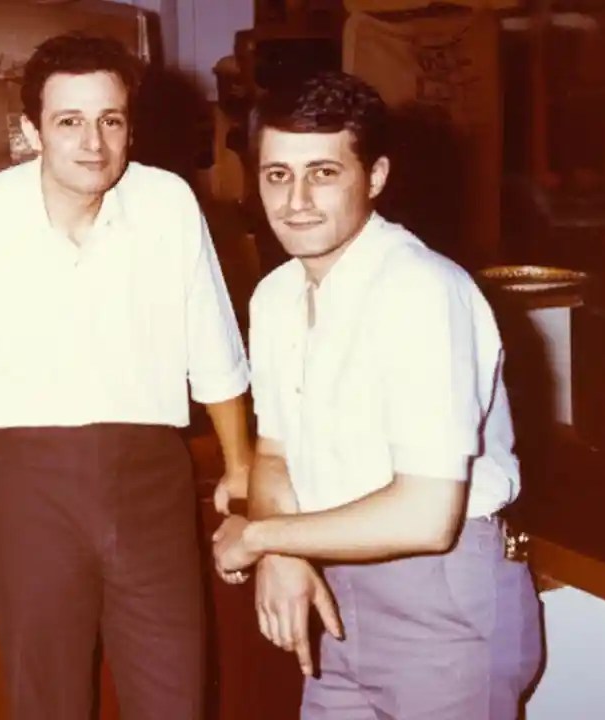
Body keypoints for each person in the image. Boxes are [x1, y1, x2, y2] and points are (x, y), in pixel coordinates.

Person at [0, 33, 252, 720]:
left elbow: (216, 350)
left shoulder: (166, 203)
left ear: (130, 127)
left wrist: (239, 470)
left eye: (110, 121)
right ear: (30, 131)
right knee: (46, 697)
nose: (93, 143)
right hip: (32, 483)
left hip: (153, 480)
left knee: (176, 692)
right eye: (69, 122)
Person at [211, 70, 543, 719]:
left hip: (440, 600)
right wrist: (283, 548)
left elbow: (425, 515)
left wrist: (258, 537)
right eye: (278, 174)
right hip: (336, 591)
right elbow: (274, 456)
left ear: (376, 176)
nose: (297, 199)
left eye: (324, 173)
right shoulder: (276, 296)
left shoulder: (419, 291)